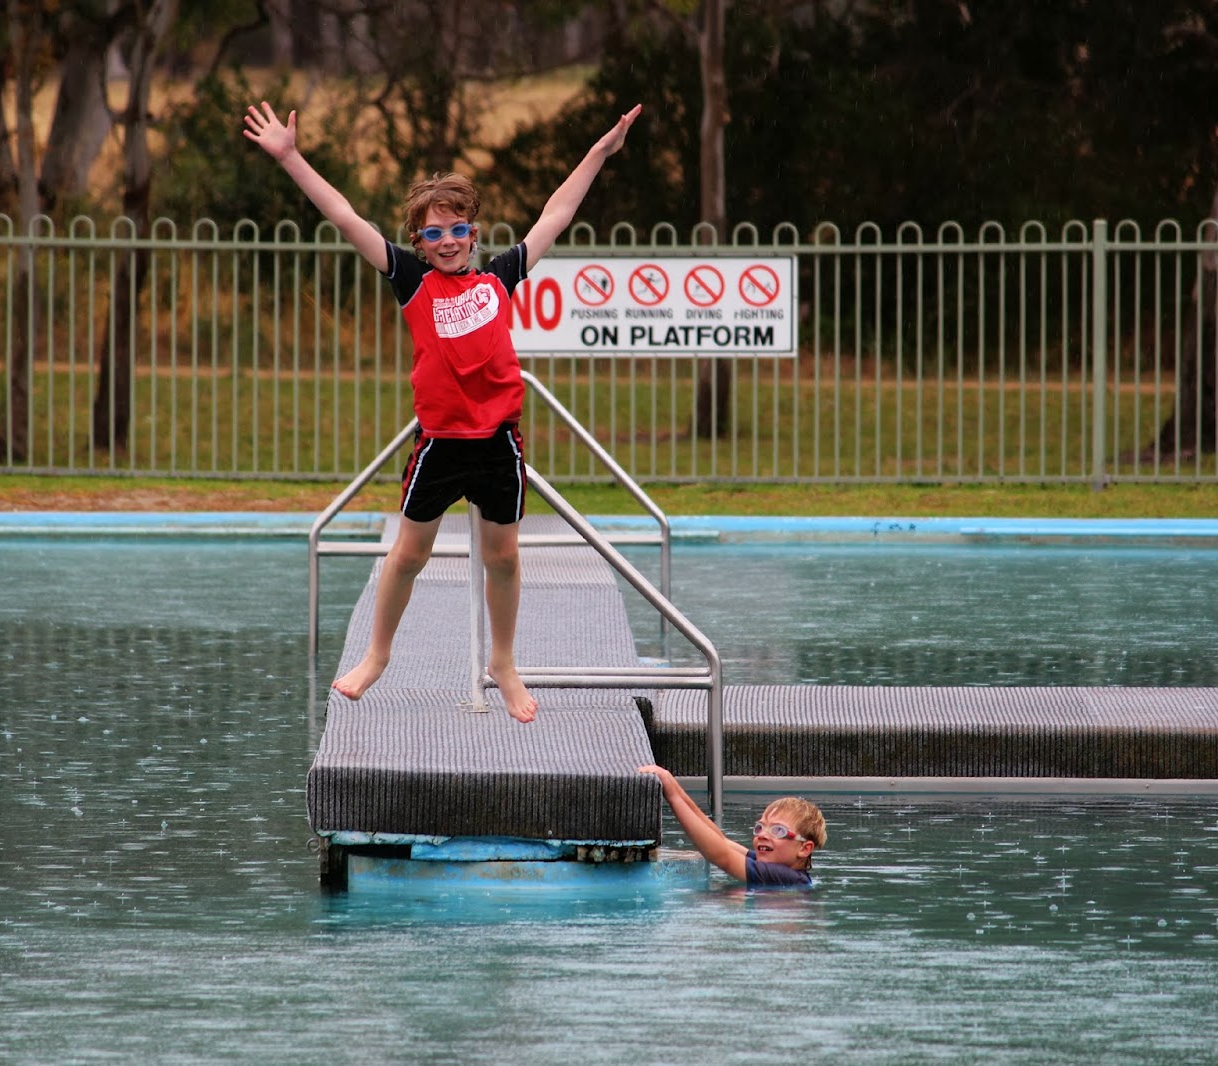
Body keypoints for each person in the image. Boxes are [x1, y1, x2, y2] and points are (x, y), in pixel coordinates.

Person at [244, 100, 641, 723]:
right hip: (439, 443)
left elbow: (557, 213)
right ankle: (378, 655)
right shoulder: (411, 281)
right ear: (418, 243)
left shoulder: (500, 279)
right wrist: (292, 157)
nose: (449, 241)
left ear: (474, 234)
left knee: (504, 557)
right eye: (434, 233)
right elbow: (344, 215)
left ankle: (503, 663)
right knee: (408, 556)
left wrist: (599, 152)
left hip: (496, 443)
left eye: (458, 230)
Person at [638, 764, 825, 888]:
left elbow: (721, 856)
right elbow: (721, 841)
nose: (763, 835)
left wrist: (672, 798)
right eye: (760, 827)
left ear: (804, 848)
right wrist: (673, 785)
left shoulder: (788, 878)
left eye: (778, 830)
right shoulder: (773, 864)